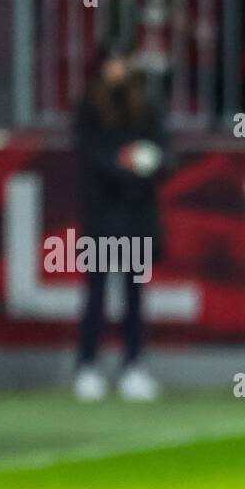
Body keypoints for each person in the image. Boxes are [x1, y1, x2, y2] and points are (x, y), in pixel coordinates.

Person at [73, 43, 169, 401]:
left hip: (137, 216)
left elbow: (166, 155)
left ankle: (133, 366)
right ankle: (87, 366)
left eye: (121, 62)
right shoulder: (90, 108)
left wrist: (145, 162)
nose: (117, 70)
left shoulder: (147, 108)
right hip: (102, 215)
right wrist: (124, 164)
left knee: (133, 294)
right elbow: (90, 157)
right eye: (111, 63)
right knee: (96, 294)